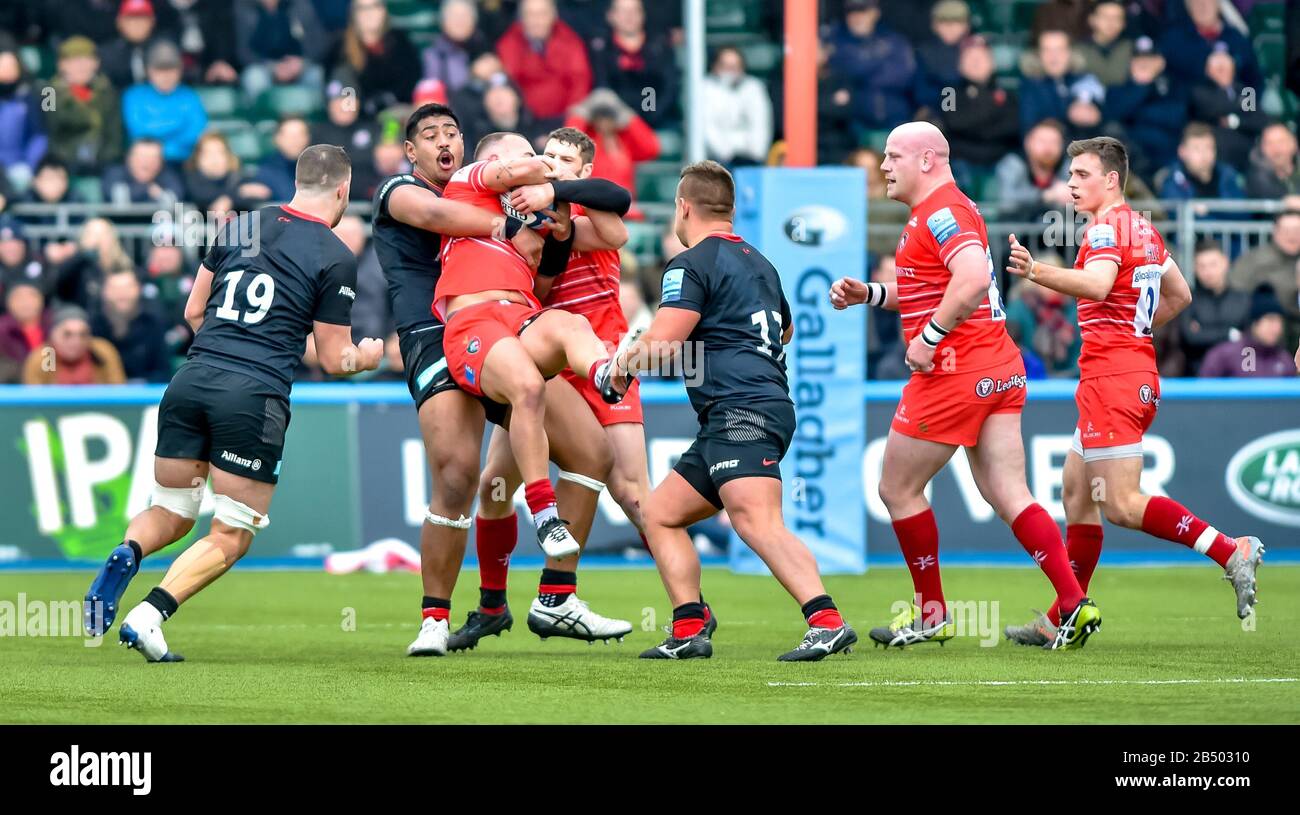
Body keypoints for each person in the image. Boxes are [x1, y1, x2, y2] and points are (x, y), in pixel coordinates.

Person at [82, 143, 385, 661]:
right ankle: (150, 614)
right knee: (233, 531)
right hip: (253, 393)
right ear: (343, 190)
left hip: (192, 378)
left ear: (296, 180)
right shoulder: (335, 254)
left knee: (174, 511)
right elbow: (335, 360)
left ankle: (127, 551)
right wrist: (368, 357)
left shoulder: (242, 224)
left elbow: (193, 309)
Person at [830, 121, 1095, 650]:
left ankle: (931, 614)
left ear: (927, 160)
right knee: (1008, 491)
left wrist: (929, 337)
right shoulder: (948, 210)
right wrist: (873, 294)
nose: (883, 166)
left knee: (897, 488)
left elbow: (972, 279)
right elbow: (935, 287)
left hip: (955, 370)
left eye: (892, 156)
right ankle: (1072, 601)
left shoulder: (942, 211)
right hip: (997, 365)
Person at [369, 105, 614, 657]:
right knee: (457, 475)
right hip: (436, 333)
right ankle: (435, 618)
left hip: (509, 326)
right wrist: (529, 198)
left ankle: (555, 595)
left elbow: (600, 232)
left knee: (593, 454)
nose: (442, 140)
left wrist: (554, 218)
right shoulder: (403, 190)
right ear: (412, 151)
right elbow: (436, 217)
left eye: (452, 132)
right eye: (430, 135)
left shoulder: (508, 202)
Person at [1003, 136, 1262, 646]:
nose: (1071, 184)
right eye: (1070, 175)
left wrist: (1037, 271)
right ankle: (1065, 616)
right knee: (1078, 493)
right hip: (1127, 372)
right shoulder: (1143, 228)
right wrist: (1137, 331)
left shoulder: (1104, 230)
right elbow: (1181, 293)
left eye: (1081, 175)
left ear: (1111, 180)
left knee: (1120, 504)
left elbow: (1098, 285)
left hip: (1113, 380)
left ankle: (1231, 550)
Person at [610, 160, 854, 661]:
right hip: (749, 406)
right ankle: (688, 628)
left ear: (683, 206)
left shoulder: (691, 263)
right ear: (730, 208)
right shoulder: (760, 262)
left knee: (756, 520)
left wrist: (620, 362)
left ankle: (826, 621)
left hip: (741, 408)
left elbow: (663, 342)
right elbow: (783, 330)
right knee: (658, 514)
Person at [457, 127, 639, 650]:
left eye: (561, 159)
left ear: (581, 170)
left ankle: (686, 610)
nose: (548, 163)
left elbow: (618, 217)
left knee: (629, 489)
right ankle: (495, 602)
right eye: (542, 156)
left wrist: (556, 199)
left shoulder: (576, 212)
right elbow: (536, 287)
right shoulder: (513, 211)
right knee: (494, 484)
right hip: (533, 350)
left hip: (596, 351)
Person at [495, 0, 592, 122]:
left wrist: (570, 122)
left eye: (542, 14)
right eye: (530, 15)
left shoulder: (570, 41)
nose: (536, 21)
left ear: (553, 16)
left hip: (565, 119)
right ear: (521, 18)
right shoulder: (509, 43)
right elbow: (509, 80)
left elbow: (580, 82)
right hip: (524, 122)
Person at [588, 0, 679, 128]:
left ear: (643, 15)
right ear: (610, 15)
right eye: (623, 11)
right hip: (613, 123)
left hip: (656, 121)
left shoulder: (660, 47)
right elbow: (602, 88)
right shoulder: (601, 49)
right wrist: (623, 119)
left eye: (635, 10)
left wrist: (647, 119)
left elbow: (668, 89)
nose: (629, 16)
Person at [43, 36, 124, 176]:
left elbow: (114, 133)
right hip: (64, 162)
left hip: (101, 162)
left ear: (96, 63)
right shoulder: (49, 92)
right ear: (61, 65)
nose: (81, 66)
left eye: (86, 60)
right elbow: (52, 126)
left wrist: (105, 159)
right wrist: (66, 95)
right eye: (74, 61)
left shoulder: (107, 90)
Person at [328, 0, 421, 117]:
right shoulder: (340, 47)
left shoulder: (401, 42)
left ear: (384, 10)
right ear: (353, 14)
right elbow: (339, 88)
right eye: (362, 8)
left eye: (375, 6)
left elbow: (412, 82)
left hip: (398, 116)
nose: (369, 13)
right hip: (359, 120)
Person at [121, 40, 207, 163]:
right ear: (148, 71)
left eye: (171, 70)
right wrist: (177, 124)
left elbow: (196, 131)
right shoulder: (133, 95)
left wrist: (163, 147)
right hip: (144, 161)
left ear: (180, 71)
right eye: (160, 70)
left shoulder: (189, 96)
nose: (166, 76)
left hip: (184, 162)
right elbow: (139, 131)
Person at [1178, 239, 1249, 374]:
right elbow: (1190, 338)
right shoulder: (1188, 299)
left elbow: (1248, 338)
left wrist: (1203, 332)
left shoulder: (1243, 299)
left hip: (1237, 375)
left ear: (1225, 262)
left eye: (1213, 264)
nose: (1208, 271)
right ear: (1194, 268)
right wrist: (1230, 334)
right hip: (1196, 376)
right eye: (1201, 266)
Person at [91, 268, 172, 382]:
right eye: (115, 288)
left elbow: (162, 370)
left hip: (144, 394)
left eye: (128, 287)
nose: (122, 293)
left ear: (138, 289)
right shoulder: (92, 326)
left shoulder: (152, 324)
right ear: (104, 292)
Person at [1198, 287, 1297, 378]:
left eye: (1279, 322)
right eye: (1270, 320)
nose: (1276, 328)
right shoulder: (1223, 356)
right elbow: (1204, 390)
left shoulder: (1285, 360)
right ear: (1255, 324)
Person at [698, 47, 771, 169]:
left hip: (751, 159)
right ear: (714, 66)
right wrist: (725, 154)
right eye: (725, 65)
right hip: (715, 160)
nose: (730, 70)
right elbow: (707, 127)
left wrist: (755, 153)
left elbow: (760, 125)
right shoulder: (704, 88)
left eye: (735, 66)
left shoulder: (754, 88)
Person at [22, 305, 127, 385]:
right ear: (53, 336)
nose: (76, 341)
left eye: (83, 334)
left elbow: (118, 391)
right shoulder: (47, 356)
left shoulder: (101, 352)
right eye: (67, 334)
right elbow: (35, 400)